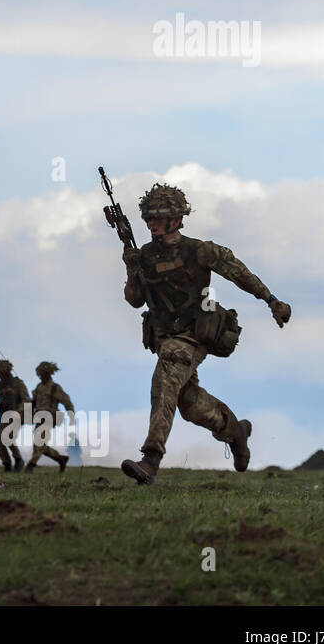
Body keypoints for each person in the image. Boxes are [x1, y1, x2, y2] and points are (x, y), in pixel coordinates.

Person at [117, 183, 291, 485]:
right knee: (189, 404)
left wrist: (272, 301)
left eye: (158, 217)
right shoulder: (144, 256)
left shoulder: (199, 250)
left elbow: (239, 273)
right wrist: (131, 268)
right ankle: (234, 431)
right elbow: (135, 301)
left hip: (192, 336)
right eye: (148, 219)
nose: (151, 224)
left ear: (176, 219)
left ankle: (151, 459)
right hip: (165, 339)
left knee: (164, 381)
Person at [26, 362, 72, 472]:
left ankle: (31, 464)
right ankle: (60, 459)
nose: (40, 376)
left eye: (42, 373)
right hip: (38, 418)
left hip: (49, 418)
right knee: (39, 443)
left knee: (39, 442)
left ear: (48, 374)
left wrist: (71, 414)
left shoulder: (55, 388)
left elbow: (66, 401)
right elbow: (33, 401)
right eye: (39, 374)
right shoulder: (39, 387)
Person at [0, 360, 30, 471]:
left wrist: (19, 412)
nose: (0, 376)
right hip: (4, 417)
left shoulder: (18, 384)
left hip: (17, 416)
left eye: (1, 373)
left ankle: (18, 460)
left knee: (6, 438)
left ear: (7, 372)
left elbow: (26, 401)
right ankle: (7, 464)